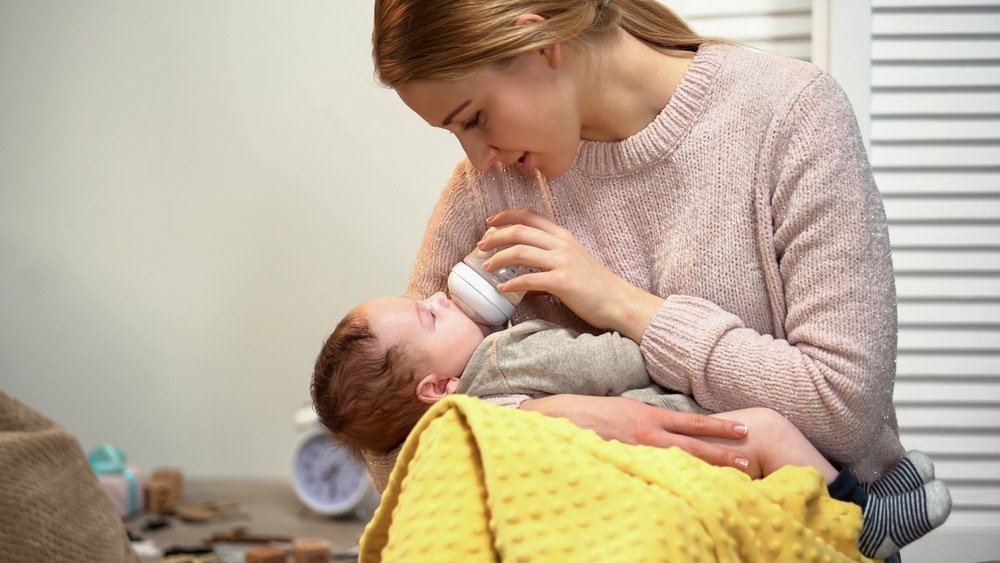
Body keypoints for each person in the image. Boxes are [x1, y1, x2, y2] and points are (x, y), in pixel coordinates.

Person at [366, 0, 906, 497]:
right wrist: (558, 419)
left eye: (474, 118)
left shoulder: (788, 112)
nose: (477, 156)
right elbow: (387, 440)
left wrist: (623, 305)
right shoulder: (486, 190)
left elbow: (842, 410)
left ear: (538, 45)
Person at [311, 291, 950, 560]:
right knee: (764, 429)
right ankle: (861, 517)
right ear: (437, 389)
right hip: (677, 437)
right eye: (428, 316)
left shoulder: (453, 429)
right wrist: (637, 331)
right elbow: (608, 363)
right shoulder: (502, 356)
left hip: (629, 485)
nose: (438, 296)